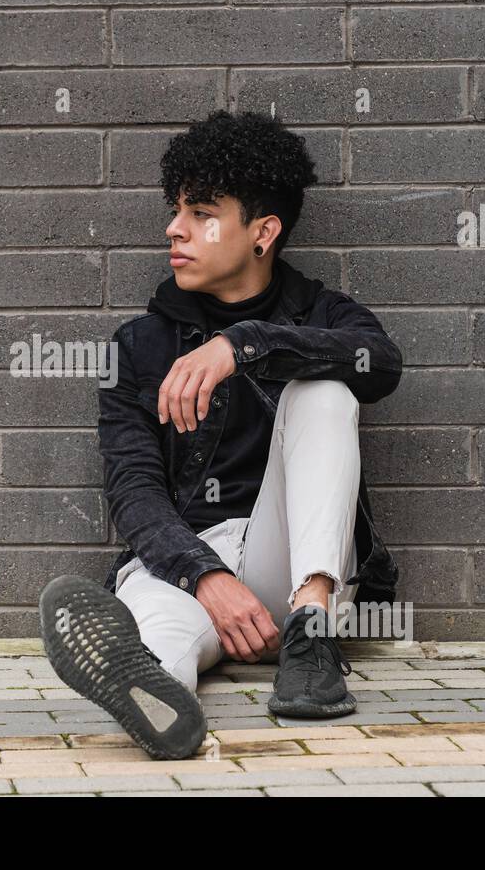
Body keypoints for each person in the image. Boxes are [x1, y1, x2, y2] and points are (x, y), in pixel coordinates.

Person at [39, 110, 404, 760]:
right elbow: (135, 494)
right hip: (187, 565)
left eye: (201, 213)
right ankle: (158, 700)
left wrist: (243, 345)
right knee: (158, 631)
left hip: (292, 563)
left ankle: (311, 636)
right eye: (175, 210)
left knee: (324, 391)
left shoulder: (325, 314)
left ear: (263, 232)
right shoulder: (140, 347)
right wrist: (208, 577)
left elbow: (380, 363)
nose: (175, 230)